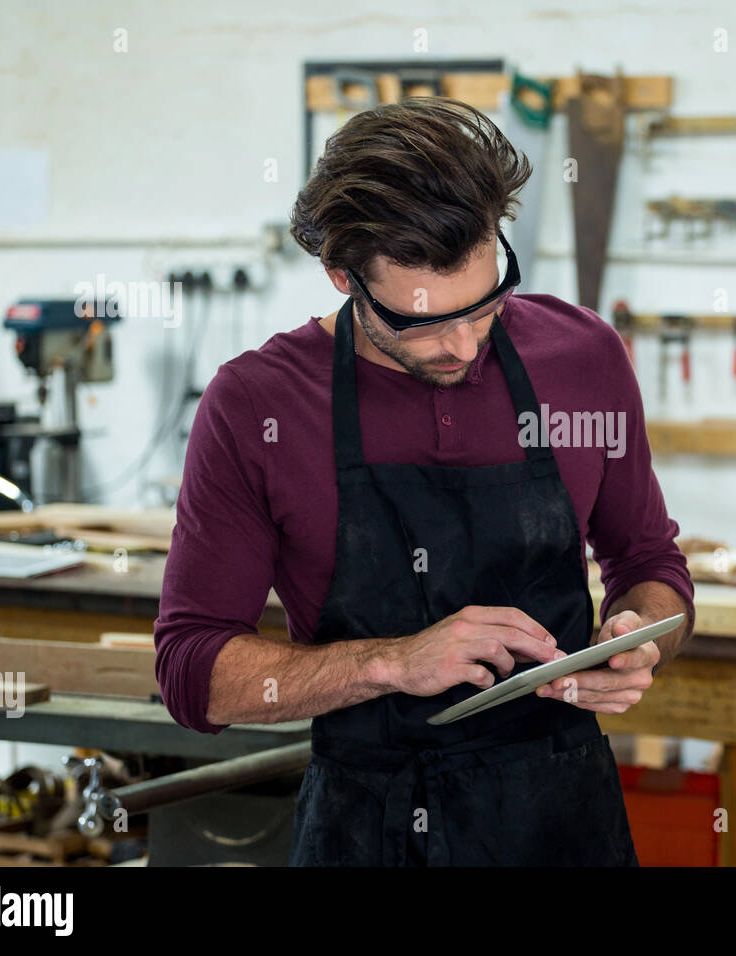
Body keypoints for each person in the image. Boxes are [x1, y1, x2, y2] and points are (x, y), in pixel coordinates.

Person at [155, 97, 694, 866]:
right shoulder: (257, 403)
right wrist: (393, 662)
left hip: (563, 822)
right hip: (367, 831)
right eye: (424, 321)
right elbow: (191, 672)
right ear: (341, 275)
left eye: (484, 304)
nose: (465, 345)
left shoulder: (583, 358)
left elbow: (650, 564)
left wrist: (640, 639)